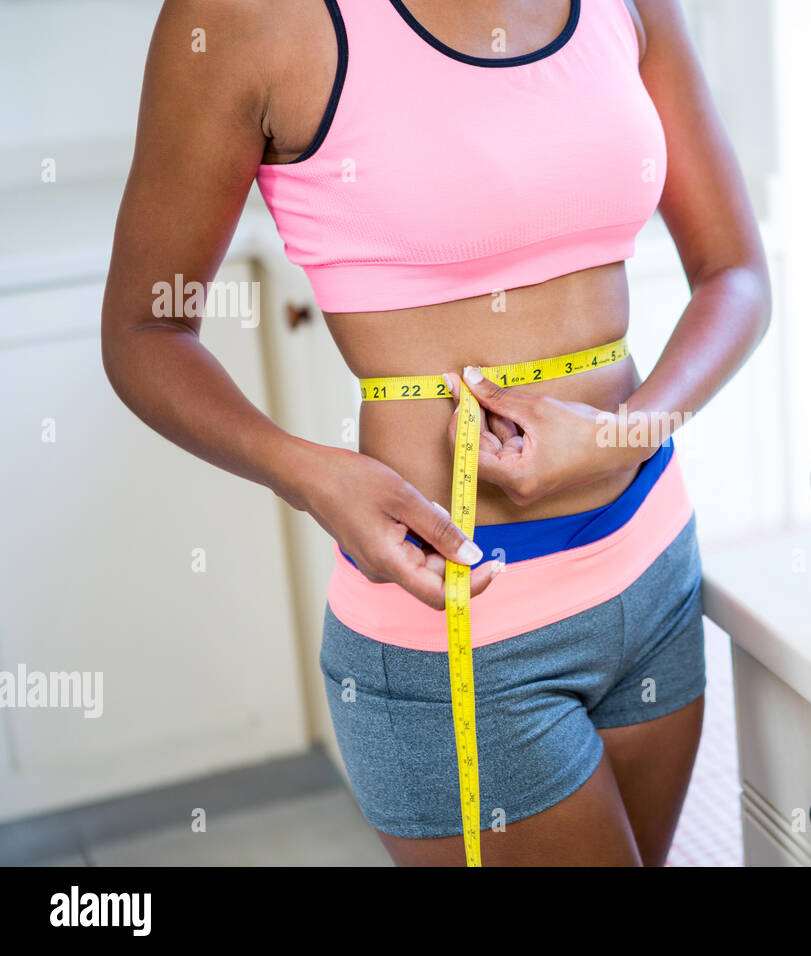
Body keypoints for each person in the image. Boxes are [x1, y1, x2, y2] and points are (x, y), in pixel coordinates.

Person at [102, 0, 769, 866]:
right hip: (457, 616)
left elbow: (737, 275)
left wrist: (625, 436)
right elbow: (144, 334)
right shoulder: (248, 17)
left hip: (652, 569)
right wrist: (311, 476)